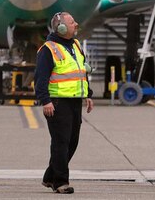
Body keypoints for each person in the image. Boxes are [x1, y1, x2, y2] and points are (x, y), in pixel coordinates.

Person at [34, 12, 94, 194]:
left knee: (72, 142)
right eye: (72, 22)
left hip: (75, 100)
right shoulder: (48, 49)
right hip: (57, 103)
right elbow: (40, 78)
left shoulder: (75, 45)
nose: (76, 24)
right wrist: (45, 101)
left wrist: (88, 94)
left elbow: (82, 71)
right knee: (61, 142)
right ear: (60, 27)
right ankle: (60, 182)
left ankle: (49, 176)